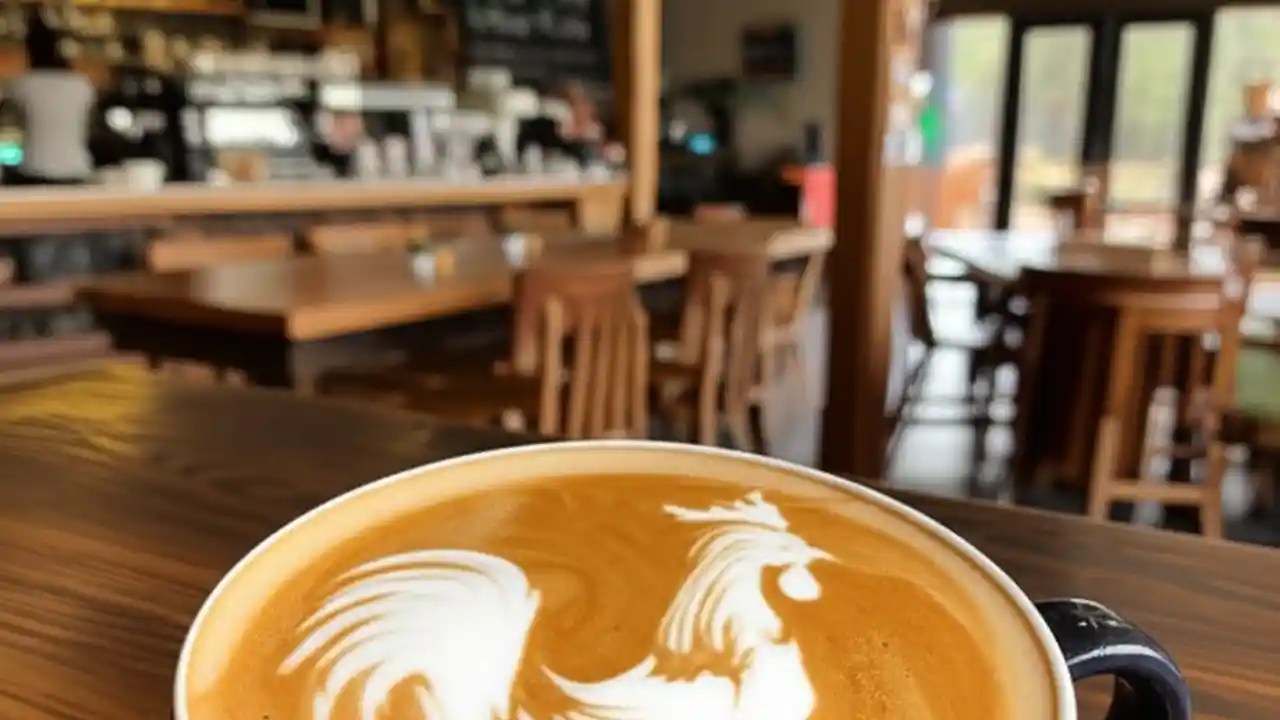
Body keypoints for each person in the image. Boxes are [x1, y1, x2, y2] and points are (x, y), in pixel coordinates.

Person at [6, 13, 95, 185]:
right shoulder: (82, 85)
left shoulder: (24, 84)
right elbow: (89, 126)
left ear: (30, 52)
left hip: (35, 171)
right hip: (78, 171)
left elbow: (9, 118)